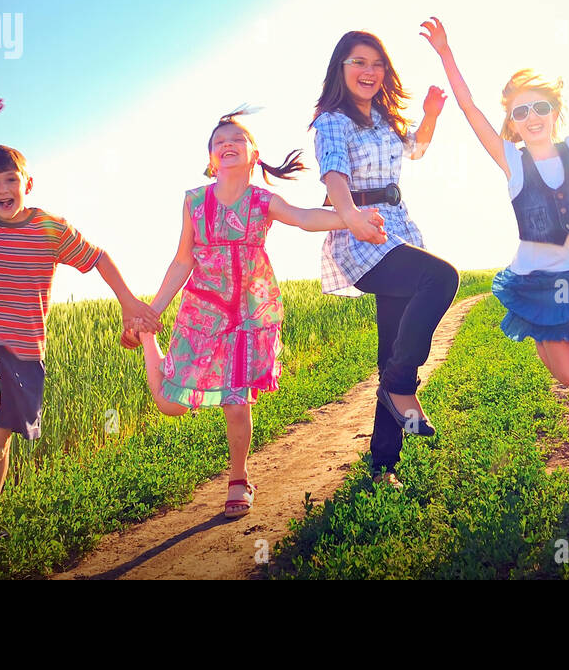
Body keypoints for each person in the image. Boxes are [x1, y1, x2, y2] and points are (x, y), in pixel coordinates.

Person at [0, 96, 159, 537]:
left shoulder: (50, 228)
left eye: (10, 179)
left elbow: (98, 257)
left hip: (25, 351)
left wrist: (128, 301)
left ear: (28, 183)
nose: (2, 189)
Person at [123, 109, 384, 517]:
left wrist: (350, 219)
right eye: (218, 141)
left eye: (236, 139)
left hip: (249, 311)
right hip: (202, 310)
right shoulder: (194, 201)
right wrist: (152, 313)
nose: (227, 144)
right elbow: (181, 261)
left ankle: (239, 479)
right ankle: (147, 340)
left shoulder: (262, 201)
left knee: (234, 399)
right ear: (211, 159)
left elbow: (303, 218)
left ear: (253, 155)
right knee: (168, 403)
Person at [420, 15, 569, 474]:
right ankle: (540, 332)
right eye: (520, 112)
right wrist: (445, 52)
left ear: (555, 112)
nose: (531, 118)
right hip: (539, 283)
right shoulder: (511, 162)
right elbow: (468, 109)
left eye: (539, 108)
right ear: (512, 123)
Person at [311, 30, 457, 488]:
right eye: (358, 62)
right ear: (341, 68)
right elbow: (333, 170)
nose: (368, 71)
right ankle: (400, 385)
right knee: (441, 278)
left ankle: (382, 464)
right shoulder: (332, 119)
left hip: (398, 227)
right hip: (361, 231)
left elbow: (415, 148)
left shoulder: (385, 120)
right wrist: (349, 215)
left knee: (391, 342)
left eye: (376, 63)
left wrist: (430, 116)